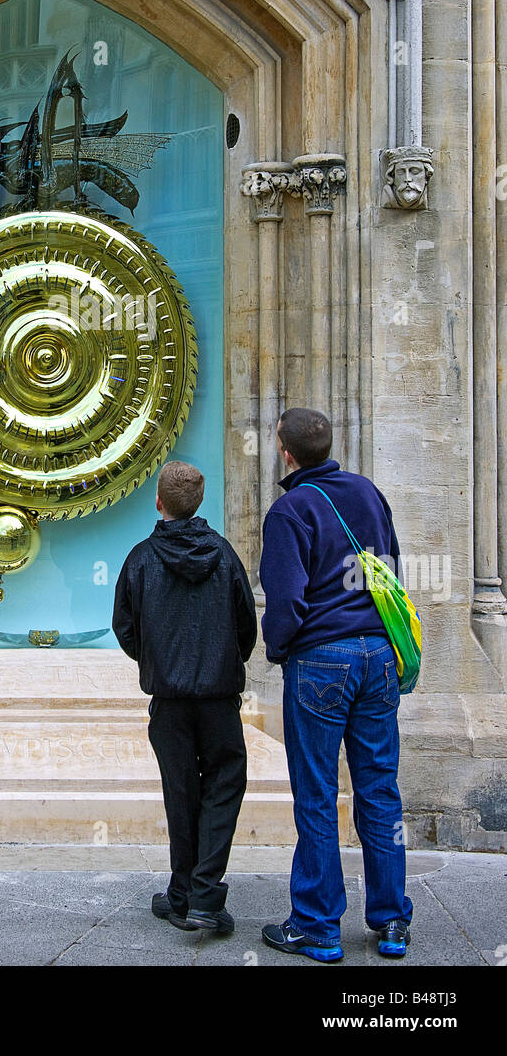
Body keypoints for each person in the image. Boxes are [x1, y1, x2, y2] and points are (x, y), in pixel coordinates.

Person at [259, 407, 413, 963]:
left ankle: (318, 925)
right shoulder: (368, 494)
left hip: (321, 660)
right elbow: (392, 566)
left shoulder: (290, 509)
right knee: (379, 788)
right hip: (377, 655)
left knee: (319, 793)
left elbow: (286, 601)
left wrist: (281, 647)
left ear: (286, 451)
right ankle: (392, 919)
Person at [112, 459, 257, 934]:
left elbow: (126, 628)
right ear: (200, 502)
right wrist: (222, 663)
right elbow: (245, 627)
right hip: (217, 696)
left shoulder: (140, 559)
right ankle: (200, 894)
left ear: (159, 501)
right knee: (222, 786)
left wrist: (155, 662)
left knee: (182, 791)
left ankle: (187, 894)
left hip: (170, 698)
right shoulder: (223, 554)